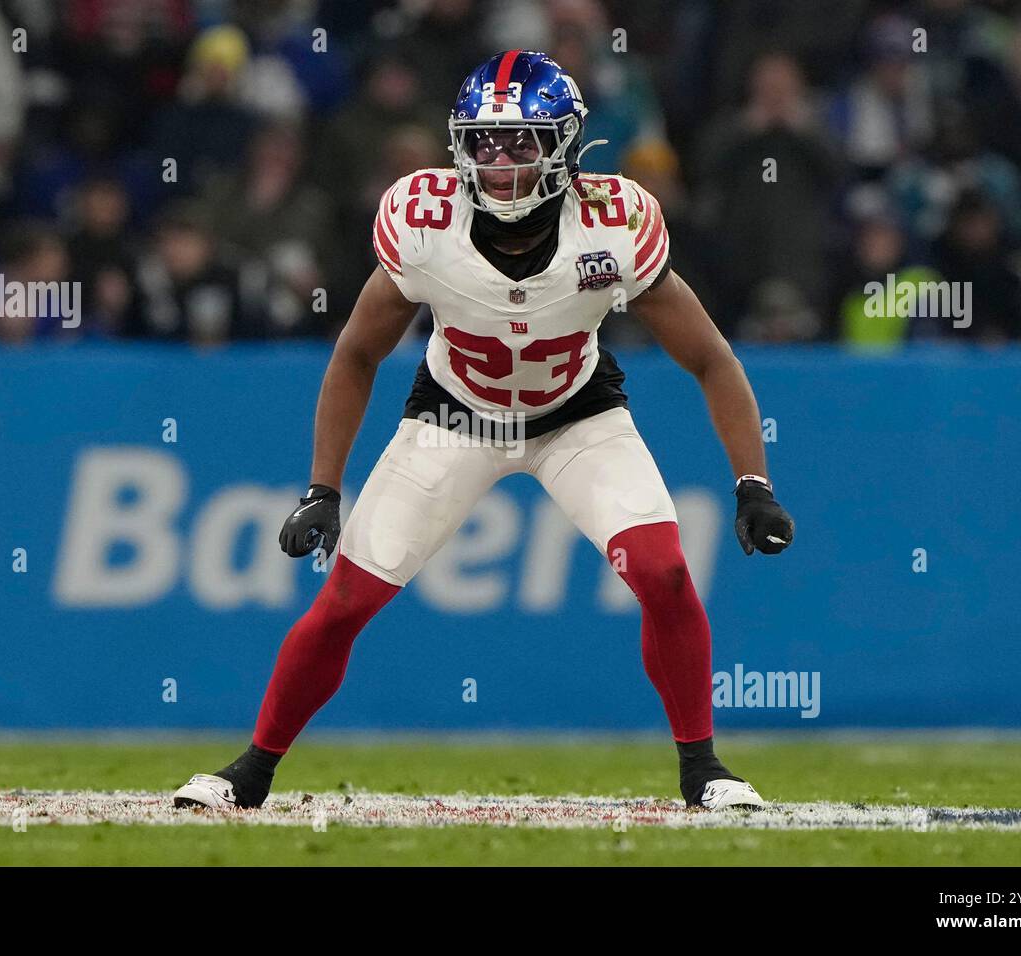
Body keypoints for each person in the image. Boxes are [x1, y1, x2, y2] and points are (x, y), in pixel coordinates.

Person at [173, 51, 794, 813]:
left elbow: (709, 357)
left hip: (578, 413)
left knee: (665, 575)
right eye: (485, 144)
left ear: (564, 145)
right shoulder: (423, 221)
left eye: (522, 143)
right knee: (345, 602)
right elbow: (358, 352)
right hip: (452, 414)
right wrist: (322, 488)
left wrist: (752, 481)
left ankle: (703, 767)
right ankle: (253, 770)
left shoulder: (614, 222)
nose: (499, 164)